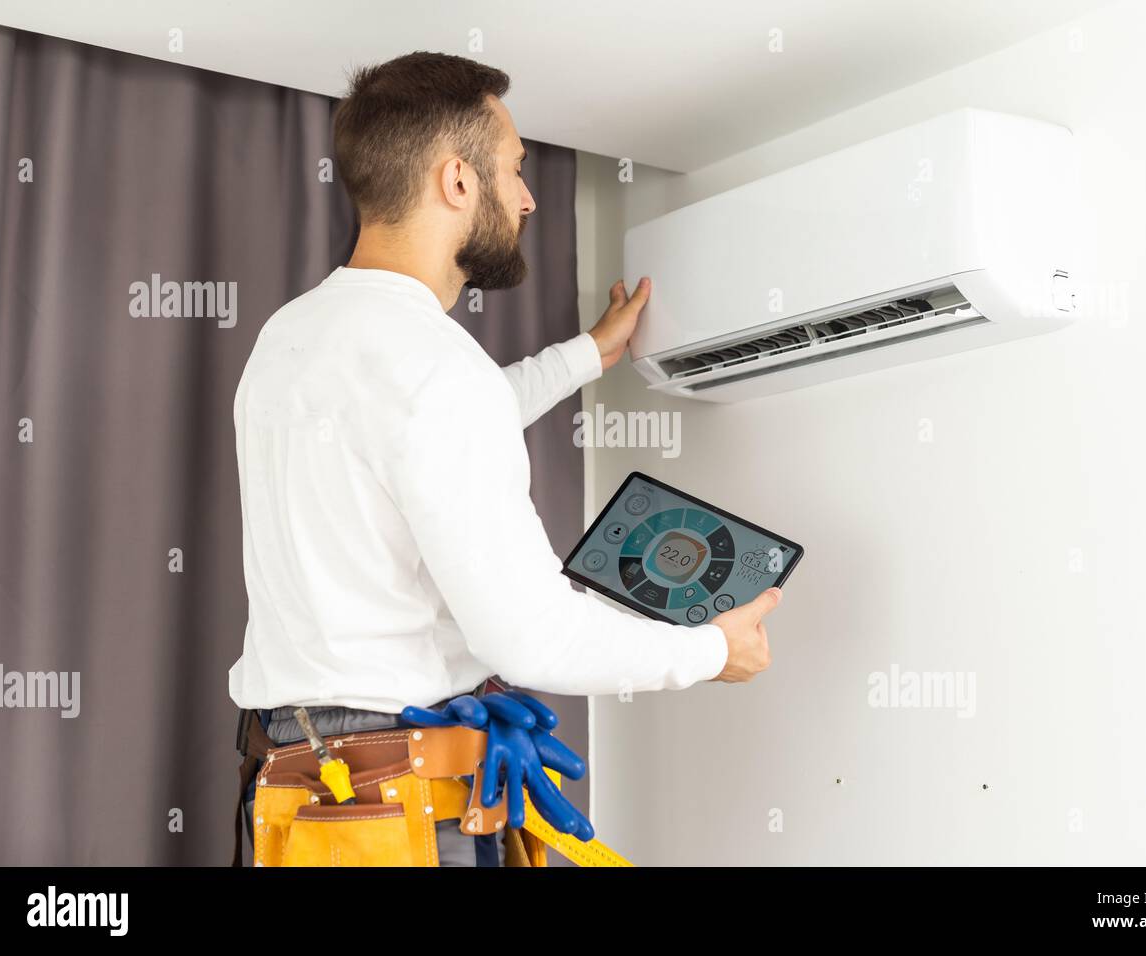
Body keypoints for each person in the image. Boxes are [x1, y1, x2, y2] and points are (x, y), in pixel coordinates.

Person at [229, 51, 782, 866]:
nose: (526, 198)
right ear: (457, 182)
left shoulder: (290, 338)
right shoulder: (434, 369)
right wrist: (709, 651)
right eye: (516, 170)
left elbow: (420, 434)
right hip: (403, 801)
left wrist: (589, 355)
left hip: (299, 787)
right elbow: (533, 638)